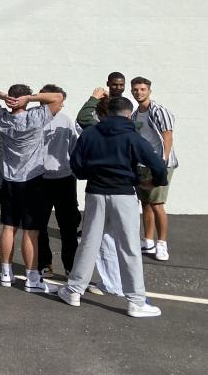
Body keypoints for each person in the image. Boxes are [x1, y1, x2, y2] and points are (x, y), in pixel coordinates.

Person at [57, 96, 167, 317]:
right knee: (129, 247)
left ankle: (74, 290)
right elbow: (158, 165)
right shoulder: (132, 136)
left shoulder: (90, 133)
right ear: (128, 114)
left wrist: (92, 174)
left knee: (89, 242)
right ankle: (135, 301)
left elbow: (76, 166)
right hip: (124, 194)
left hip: (96, 193)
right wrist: (153, 182)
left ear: (106, 113)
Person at [0, 84, 63, 292]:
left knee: (9, 227)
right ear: (24, 99)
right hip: (32, 180)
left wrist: (3, 96)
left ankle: (6, 272)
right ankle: (32, 278)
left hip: (10, 180)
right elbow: (58, 98)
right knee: (31, 231)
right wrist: (31, 98)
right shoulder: (36, 117)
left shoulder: (2, 118)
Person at [130, 76, 176, 261]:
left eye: (142, 89)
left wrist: (162, 164)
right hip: (143, 165)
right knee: (146, 203)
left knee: (157, 205)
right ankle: (147, 241)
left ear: (149, 90)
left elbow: (168, 137)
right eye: (135, 89)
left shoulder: (158, 111)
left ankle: (162, 244)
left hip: (159, 165)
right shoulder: (134, 115)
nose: (139, 92)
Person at [36, 85, 80, 277]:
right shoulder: (33, 119)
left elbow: (74, 148)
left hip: (64, 179)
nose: (60, 106)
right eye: (57, 101)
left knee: (68, 227)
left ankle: (71, 266)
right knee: (39, 225)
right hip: (39, 179)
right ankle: (45, 263)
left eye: (61, 102)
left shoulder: (66, 121)